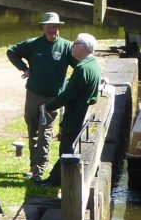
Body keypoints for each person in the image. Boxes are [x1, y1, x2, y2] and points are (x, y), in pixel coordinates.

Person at [6, 12, 75, 183]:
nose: (54, 29)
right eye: (50, 26)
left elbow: (80, 67)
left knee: (46, 133)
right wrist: (24, 68)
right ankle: (33, 166)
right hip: (33, 95)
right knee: (33, 130)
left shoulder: (67, 47)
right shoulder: (33, 44)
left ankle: (39, 171)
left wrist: (71, 87)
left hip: (53, 99)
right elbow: (11, 51)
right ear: (43, 27)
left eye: (56, 26)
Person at [41, 33, 103, 186]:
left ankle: (54, 181)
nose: (72, 46)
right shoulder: (93, 64)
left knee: (67, 149)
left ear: (83, 47)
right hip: (81, 114)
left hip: (76, 116)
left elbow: (68, 94)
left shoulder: (82, 69)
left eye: (75, 44)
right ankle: (53, 179)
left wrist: (48, 107)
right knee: (68, 148)